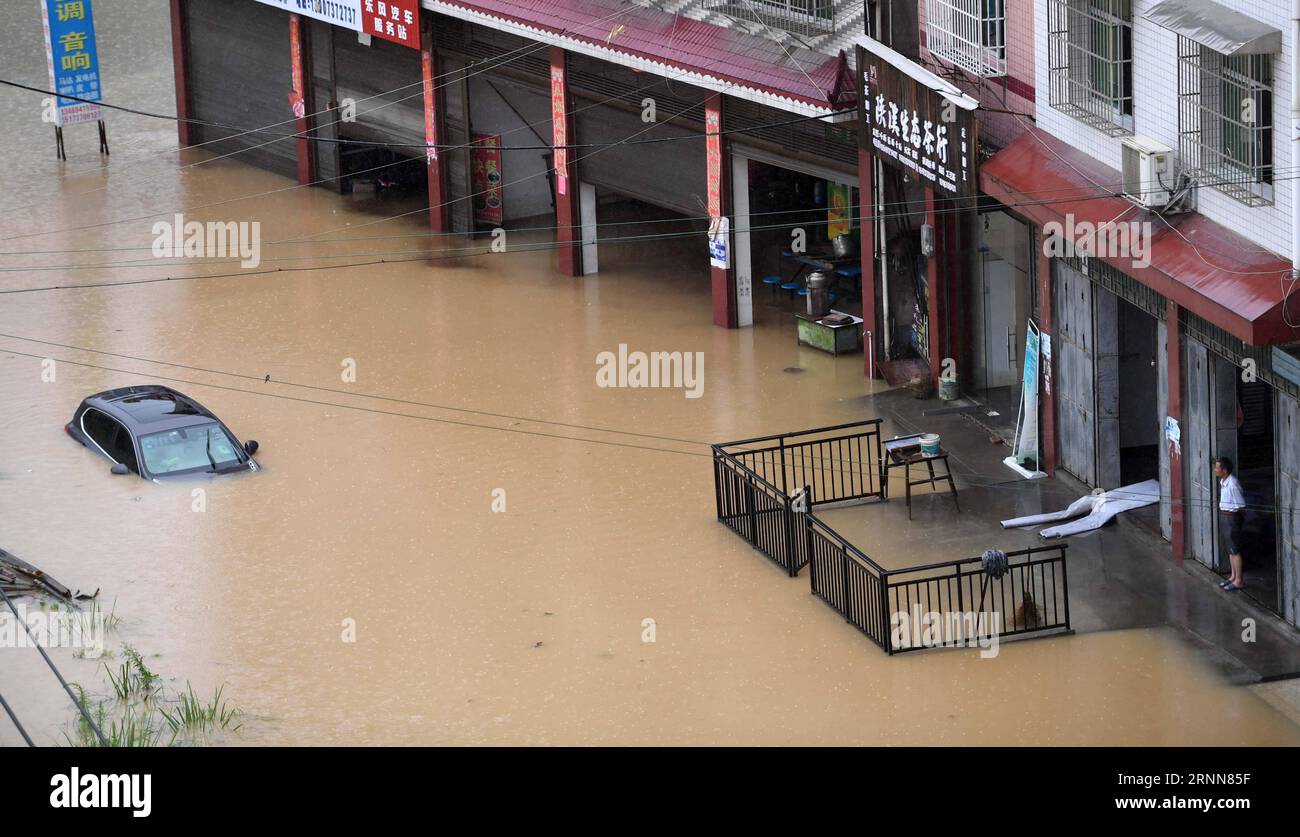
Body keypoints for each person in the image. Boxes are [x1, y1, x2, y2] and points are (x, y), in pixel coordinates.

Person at [1214, 456, 1246, 591]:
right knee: (1230, 549)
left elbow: (1240, 505)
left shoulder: (1232, 484)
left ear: (1224, 470)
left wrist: (1236, 521)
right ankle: (1233, 576)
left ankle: (1238, 580)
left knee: (1235, 549)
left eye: (1217, 467)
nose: (1215, 470)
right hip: (1225, 515)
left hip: (1232, 517)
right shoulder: (1223, 481)